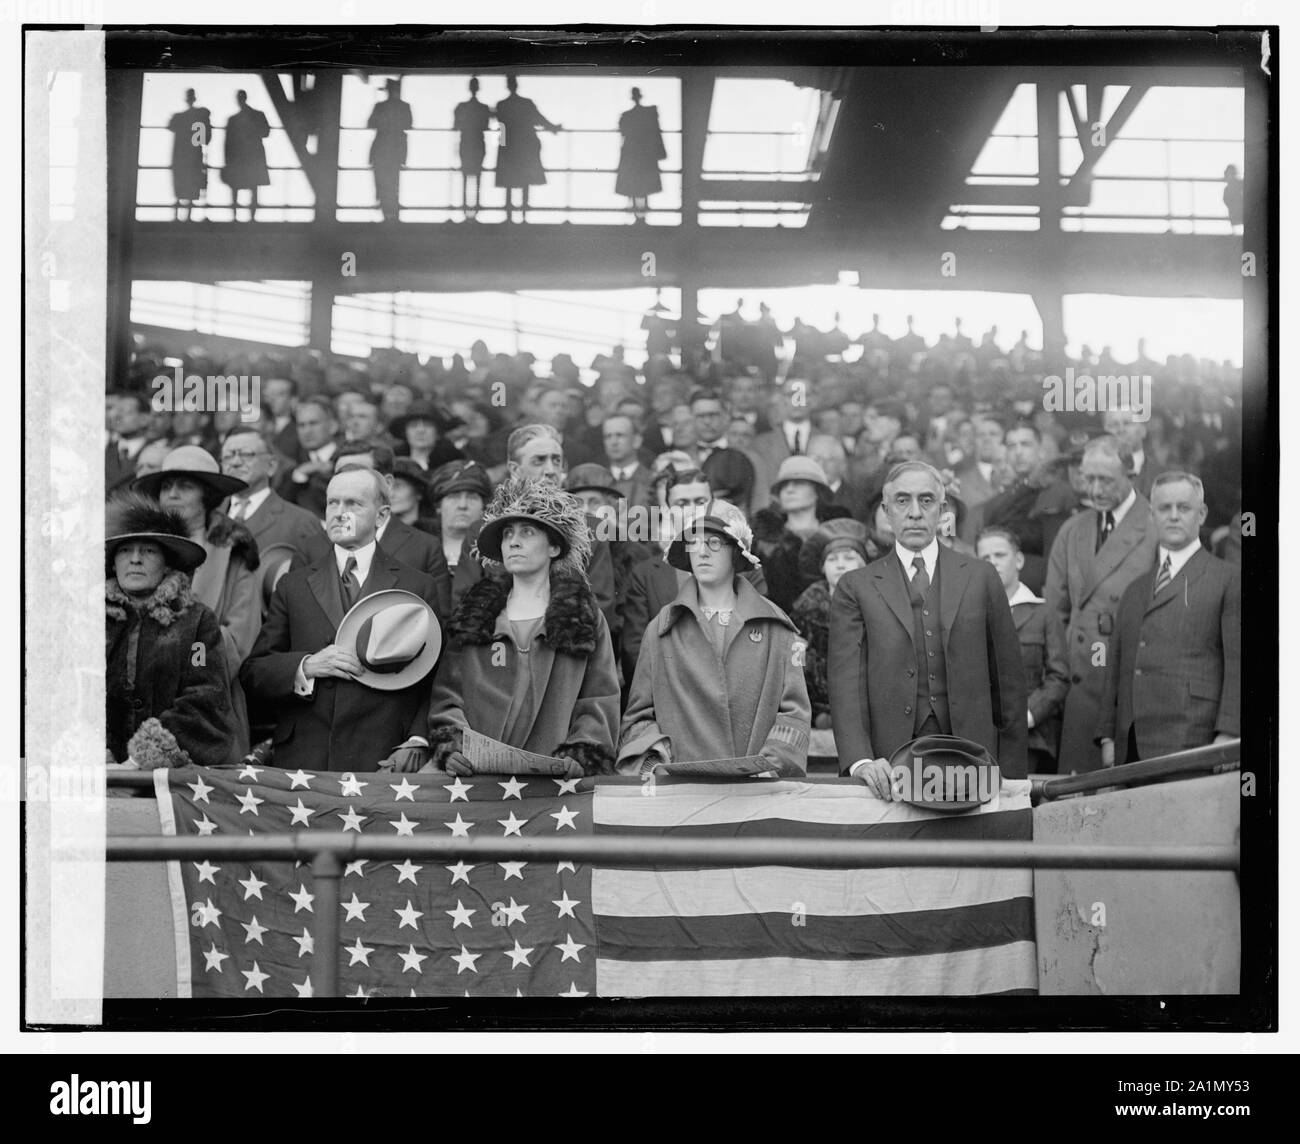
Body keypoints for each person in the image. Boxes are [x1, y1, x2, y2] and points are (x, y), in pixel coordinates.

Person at [386, 478, 619, 777]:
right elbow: (448, 695)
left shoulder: (582, 616)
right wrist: (454, 745)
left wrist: (584, 751)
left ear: (554, 547)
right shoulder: (475, 614)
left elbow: (600, 696)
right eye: (507, 533)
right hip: (478, 780)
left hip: (557, 786)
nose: (514, 541)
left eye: (528, 531)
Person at [828, 460, 1028, 792]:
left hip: (973, 761)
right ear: (886, 511)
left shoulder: (981, 576)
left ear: (943, 510)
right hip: (888, 764)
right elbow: (846, 683)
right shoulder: (856, 586)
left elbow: (1007, 683)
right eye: (902, 501)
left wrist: (1010, 773)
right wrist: (861, 761)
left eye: (926, 500)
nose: (915, 512)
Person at [241, 467, 442, 772]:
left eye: (353, 504)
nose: (339, 513)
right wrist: (307, 666)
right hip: (307, 758)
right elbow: (255, 671)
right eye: (332, 503)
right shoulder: (293, 585)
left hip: (385, 755)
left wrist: (416, 740)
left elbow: (433, 675)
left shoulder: (417, 585)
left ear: (381, 514)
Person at [618, 499, 811, 778]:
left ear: (736, 552)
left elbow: (795, 712)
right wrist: (654, 765)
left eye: (715, 542)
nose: (702, 551)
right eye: (694, 542)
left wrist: (771, 765)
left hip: (756, 792)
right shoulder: (661, 627)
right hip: (683, 792)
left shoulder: (777, 625)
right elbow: (638, 716)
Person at [1096, 472, 1240, 768]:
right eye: (1164, 508)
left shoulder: (1229, 579)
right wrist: (1109, 736)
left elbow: (1239, 666)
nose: (1173, 516)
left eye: (1184, 508)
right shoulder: (1135, 589)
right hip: (1131, 743)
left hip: (1193, 738)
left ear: (1201, 514)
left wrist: (1229, 734)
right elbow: (1116, 667)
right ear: (1152, 515)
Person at [133, 444, 262, 757]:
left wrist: (182, 663)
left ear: (206, 495)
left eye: (185, 486)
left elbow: (239, 637)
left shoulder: (234, 551)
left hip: (211, 702)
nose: (173, 494)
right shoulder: (138, 550)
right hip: (144, 703)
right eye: (166, 486)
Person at [1044, 434, 1158, 773]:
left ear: (1132, 476)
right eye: (1087, 478)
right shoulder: (1072, 529)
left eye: (1105, 480)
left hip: (1126, 689)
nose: (1093, 490)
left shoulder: (1155, 527)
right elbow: (1055, 610)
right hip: (1077, 689)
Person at [106, 493, 238, 769]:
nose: (136, 560)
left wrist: (142, 758)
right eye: (125, 550)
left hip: (173, 779)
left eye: (149, 551)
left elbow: (205, 698)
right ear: (112, 562)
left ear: (167, 563)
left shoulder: (197, 622)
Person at [976, 526, 1070, 774]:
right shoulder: (969, 614)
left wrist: (1027, 715)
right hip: (979, 740)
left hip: (1032, 739)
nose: (993, 563)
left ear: (1018, 560)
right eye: (985, 558)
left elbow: (1058, 677)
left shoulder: (1044, 613)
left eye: (1000, 555)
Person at [333, 442, 453, 619]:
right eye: (339, 477)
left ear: (387, 483)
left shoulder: (424, 547)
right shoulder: (312, 546)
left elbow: (438, 622)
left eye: (359, 476)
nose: (347, 486)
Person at [964, 420, 1078, 586]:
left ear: (1041, 451)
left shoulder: (1062, 492)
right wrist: (1028, 486)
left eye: (1025, 445)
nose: (1018, 452)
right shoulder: (999, 501)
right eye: (1011, 446)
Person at [791, 519, 873, 730]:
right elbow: (795, 658)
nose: (840, 564)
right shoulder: (807, 607)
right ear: (822, 568)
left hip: (866, 706)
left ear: (863, 565)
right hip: (816, 707)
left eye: (849, 558)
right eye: (832, 559)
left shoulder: (877, 604)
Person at [752, 456, 852, 614]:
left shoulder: (840, 534)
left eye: (798, 483)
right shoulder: (765, 542)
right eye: (783, 486)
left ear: (817, 491)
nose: (789, 490)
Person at [220, 429, 331, 568]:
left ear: (271, 465)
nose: (235, 462)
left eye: (246, 454)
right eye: (228, 456)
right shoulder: (208, 518)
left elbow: (321, 580)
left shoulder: (301, 522)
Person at [493, 74, 561, 223]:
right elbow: (539, 119)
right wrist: (553, 128)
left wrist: (503, 148)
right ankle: (523, 216)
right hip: (526, 147)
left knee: (509, 182)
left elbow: (502, 127)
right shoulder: (526, 103)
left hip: (510, 147)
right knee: (525, 181)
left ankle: (509, 216)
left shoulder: (502, 105)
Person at [428, 459, 491, 609]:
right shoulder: (421, 551)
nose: (462, 505)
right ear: (438, 506)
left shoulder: (494, 557)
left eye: (471, 497)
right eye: (454, 496)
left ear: (483, 507)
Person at [691, 387, 756, 508]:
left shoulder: (746, 457)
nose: (707, 421)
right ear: (691, 419)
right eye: (700, 416)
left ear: (725, 416)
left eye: (713, 415)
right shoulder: (681, 457)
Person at [279, 395, 342, 518]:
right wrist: (300, 475)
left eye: (314, 423)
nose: (307, 431)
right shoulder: (291, 464)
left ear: (333, 426)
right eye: (301, 425)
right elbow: (281, 506)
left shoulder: (348, 458)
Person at [615, 86, 666, 222]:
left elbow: (622, 130)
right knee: (645, 184)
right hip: (645, 154)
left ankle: (637, 214)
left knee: (633, 184)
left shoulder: (627, 115)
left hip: (632, 154)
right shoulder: (649, 113)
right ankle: (642, 214)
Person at [221, 89, 271, 221]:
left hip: (238, 158)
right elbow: (266, 132)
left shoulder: (233, 120)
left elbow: (227, 143)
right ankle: (252, 218)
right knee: (254, 186)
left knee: (236, 186)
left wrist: (227, 161)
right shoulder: (258, 115)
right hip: (253, 157)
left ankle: (235, 217)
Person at [368, 78, 412, 222]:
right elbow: (408, 124)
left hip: (381, 148)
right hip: (396, 149)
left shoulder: (380, 106)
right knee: (393, 181)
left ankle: (386, 210)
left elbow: (370, 123)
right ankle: (391, 212)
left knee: (382, 181)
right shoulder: (404, 106)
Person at [167, 88, 210, 221]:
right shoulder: (200, 116)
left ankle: (176, 216)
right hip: (193, 155)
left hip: (180, 155)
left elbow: (171, 126)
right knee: (191, 186)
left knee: (180, 185)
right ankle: (188, 216)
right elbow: (204, 139)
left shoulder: (179, 117)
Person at [453, 76, 492, 219]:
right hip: (478, 144)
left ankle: (465, 209)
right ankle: (475, 209)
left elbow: (456, 125)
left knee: (465, 175)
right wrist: (503, 142)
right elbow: (487, 125)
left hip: (466, 143)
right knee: (478, 175)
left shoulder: (461, 107)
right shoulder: (483, 108)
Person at [391, 399, 465, 471]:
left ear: (438, 432)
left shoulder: (454, 464)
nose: (420, 430)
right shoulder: (392, 464)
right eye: (413, 425)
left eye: (427, 425)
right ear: (405, 432)